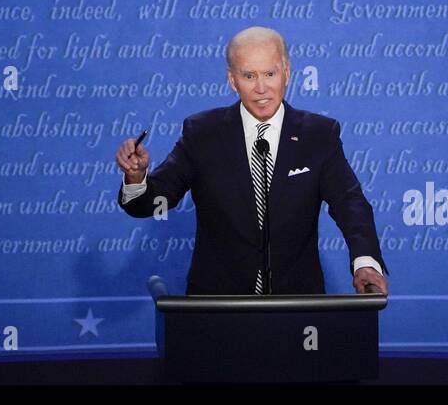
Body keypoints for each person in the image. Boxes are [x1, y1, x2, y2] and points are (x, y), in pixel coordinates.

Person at [115, 26, 388, 295]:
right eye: (249, 76)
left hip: (297, 304)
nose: (261, 88)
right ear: (232, 80)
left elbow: (349, 203)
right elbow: (151, 202)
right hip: (218, 307)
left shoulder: (318, 136)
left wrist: (366, 263)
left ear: (287, 73)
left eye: (270, 74)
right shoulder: (202, 134)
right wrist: (137, 177)